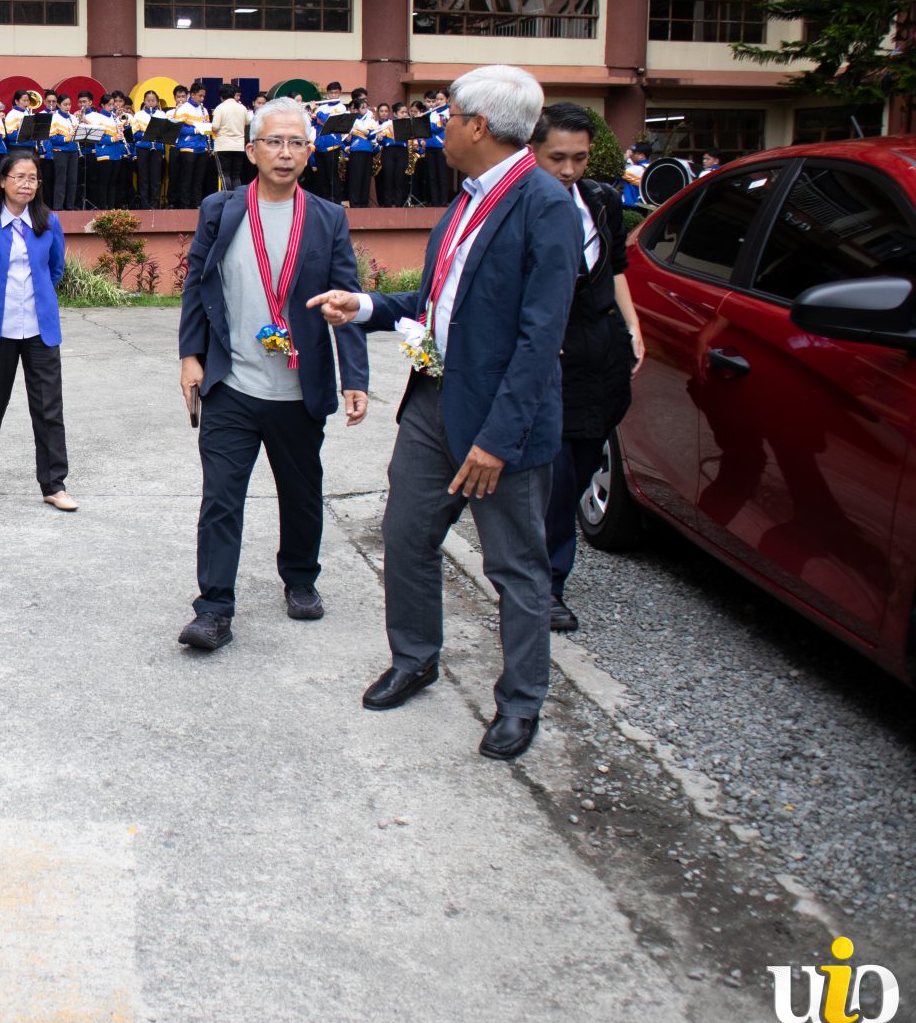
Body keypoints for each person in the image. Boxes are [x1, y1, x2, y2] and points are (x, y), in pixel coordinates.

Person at [307, 64, 579, 762]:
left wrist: (497, 439)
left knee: (516, 568)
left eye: (449, 115)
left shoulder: (544, 205)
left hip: (500, 424)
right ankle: (416, 656)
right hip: (434, 400)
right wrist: (362, 306)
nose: (440, 126)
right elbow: (436, 306)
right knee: (407, 534)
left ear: (479, 126)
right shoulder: (466, 202)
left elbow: (539, 337)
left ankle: (520, 703)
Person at [177, 98, 369, 651]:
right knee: (220, 499)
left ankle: (301, 578)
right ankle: (214, 608)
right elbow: (198, 283)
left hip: (297, 387)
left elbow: (346, 302)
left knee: (302, 493)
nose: (285, 153)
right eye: (275, 143)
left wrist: (354, 375)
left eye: (297, 144)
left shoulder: (328, 218)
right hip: (231, 384)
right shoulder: (221, 208)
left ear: (309, 153)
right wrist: (190, 354)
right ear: (253, 149)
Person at [534, 104, 644, 632]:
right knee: (555, 474)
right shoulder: (521, 211)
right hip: (552, 353)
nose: (569, 169)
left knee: (581, 465)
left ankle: (542, 559)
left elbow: (617, 269)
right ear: (533, 153)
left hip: (600, 349)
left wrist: (633, 328)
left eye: (579, 158)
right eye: (557, 157)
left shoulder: (600, 199)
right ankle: (549, 583)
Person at [0, 149, 75, 510]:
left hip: (40, 329)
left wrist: (36, 297)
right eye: (19, 177)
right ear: (2, 180)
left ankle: (54, 484)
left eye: (33, 178)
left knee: (48, 407)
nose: (26, 184)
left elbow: (55, 269)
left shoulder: (48, 222)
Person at [169, 83, 213, 208]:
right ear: (192, 94)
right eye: (200, 96)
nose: (202, 99)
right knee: (186, 178)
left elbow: (206, 127)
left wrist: (208, 130)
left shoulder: (204, 110)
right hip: (187, 147)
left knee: (198, 179)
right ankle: (185, 205)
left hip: (201, 147)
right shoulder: (184, 108)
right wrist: (195, 130)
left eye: (203, 96)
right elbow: (177, 129)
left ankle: (197, 204)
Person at [211, 87, 253, 190]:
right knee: (236, 175)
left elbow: (215, 127)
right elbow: (248, 122)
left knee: (224, 174)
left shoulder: (220, 108)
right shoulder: (242, 107)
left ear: (221, 97)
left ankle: (227, 198)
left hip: (223, 146)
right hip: (238, 146)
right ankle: (237, 198)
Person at [131, 90, 167, 209]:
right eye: (148, 100)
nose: (150, 102)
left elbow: (166, 132)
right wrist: (148, 135)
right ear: (144, 101)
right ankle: (145, 205)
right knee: (143, 177)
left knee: (156, 178)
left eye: (153, 100)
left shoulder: (162, 114)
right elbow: (134, 134)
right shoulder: (139, 115)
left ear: (157, 102)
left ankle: (155, 205)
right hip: (143, 149)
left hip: (157, 149)